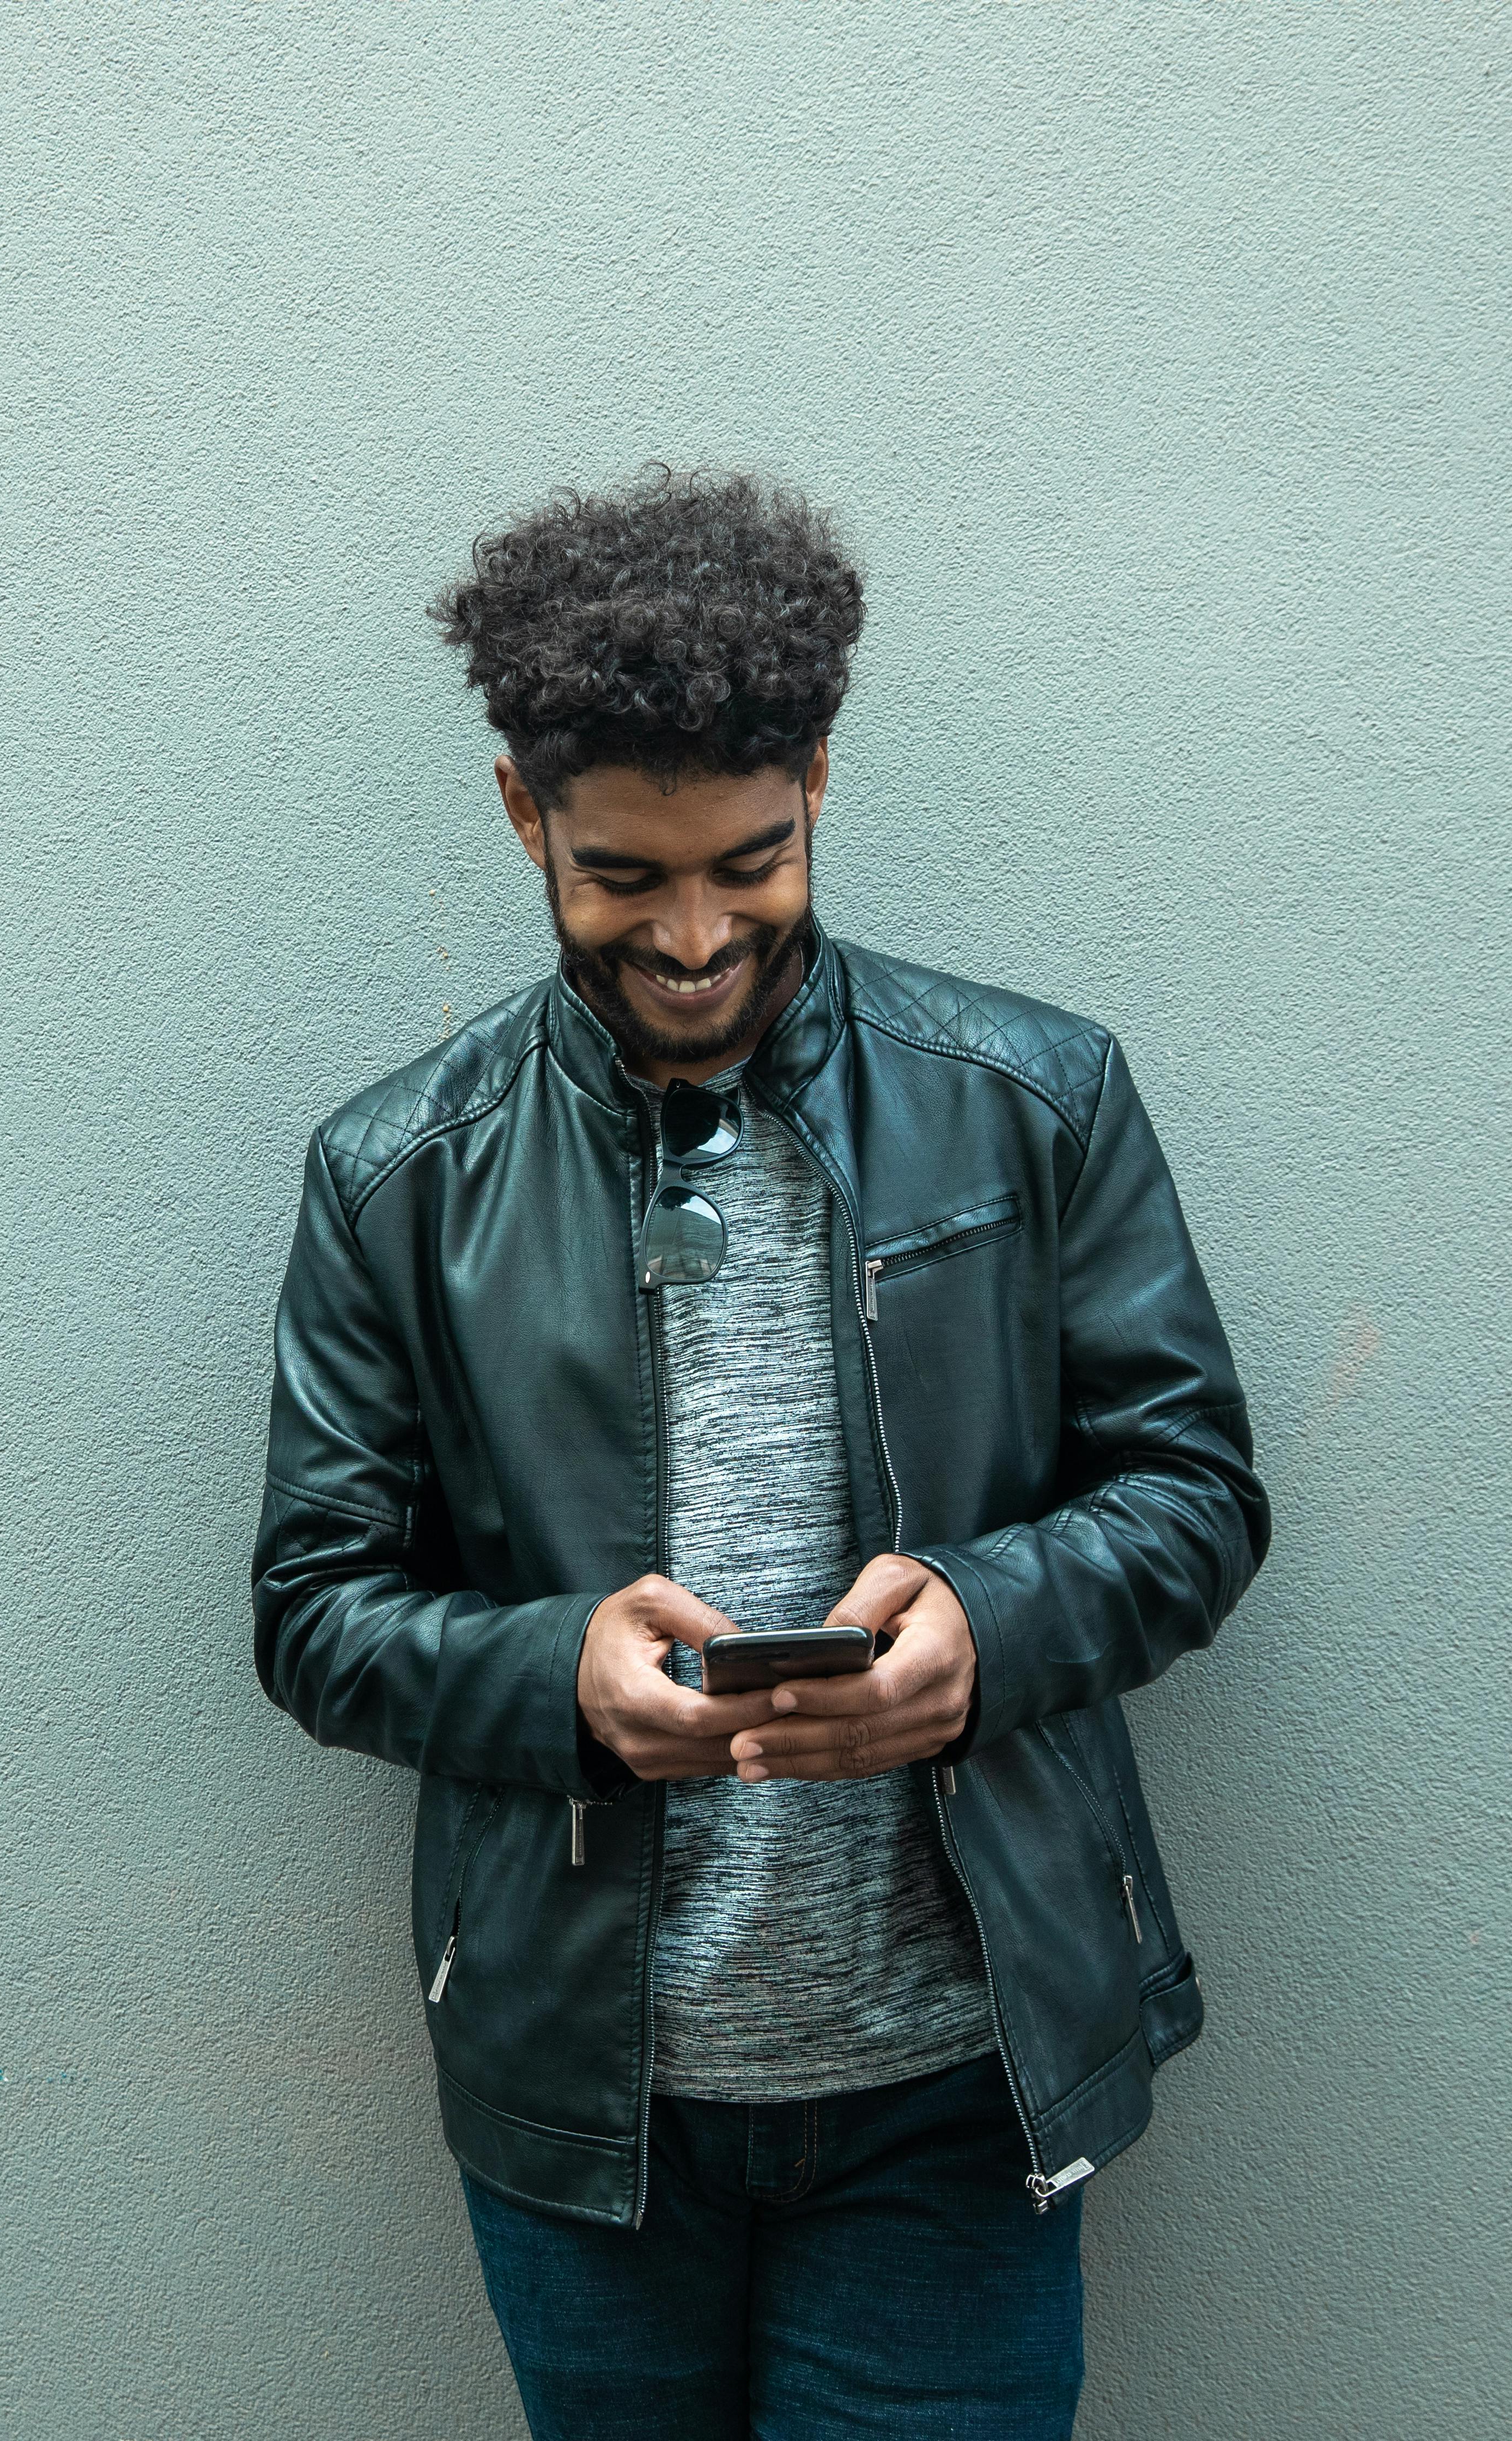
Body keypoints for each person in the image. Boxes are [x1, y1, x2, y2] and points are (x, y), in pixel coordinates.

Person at [251, 466, 1270, 2439]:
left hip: (956, 2094)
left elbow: (1199, 1494)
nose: (698, 939)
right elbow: (310, 1611)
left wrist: (992, 1622)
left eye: (751, 859)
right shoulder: (393, 1177)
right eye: (625, 878)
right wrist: (555, 1676)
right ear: (522, 815)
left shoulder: (1035, 1103)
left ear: (819, 777)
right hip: (588, 2109)